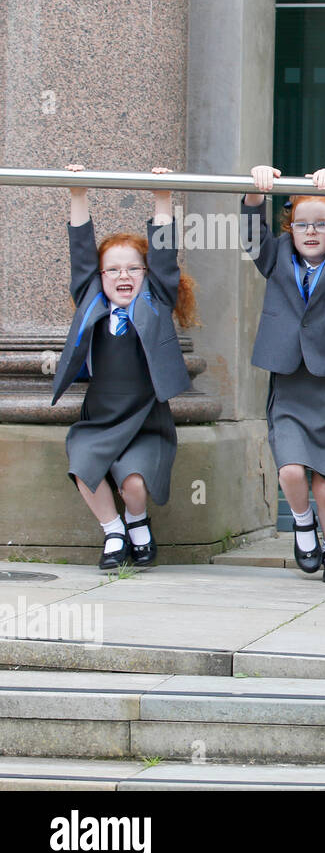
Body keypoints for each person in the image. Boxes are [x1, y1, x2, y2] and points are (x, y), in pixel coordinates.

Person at [53, 163, 199, 570]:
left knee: (134, 483)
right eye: (113, 269)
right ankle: (114, 532)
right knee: (85, 468)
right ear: (99, 278)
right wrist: (78, 193)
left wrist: (162, 196)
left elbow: (165, 256)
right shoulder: (91, 300)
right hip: (100, 416)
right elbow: (81, 253)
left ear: (146, 276)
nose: (123, 275)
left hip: (146, 417)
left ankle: (137, 521)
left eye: (133, 268)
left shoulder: (155, 301)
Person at [240, 165, 325, 583]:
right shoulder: (278, 253)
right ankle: (302, 524)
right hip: (291, 380)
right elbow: (250, 237)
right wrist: (254, 193)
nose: (312, 231)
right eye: (303, 223)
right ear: (290, 227)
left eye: (323, 223)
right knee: (291, 470)